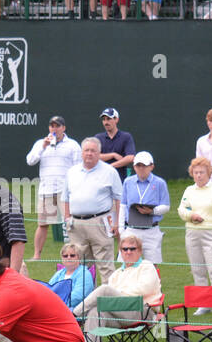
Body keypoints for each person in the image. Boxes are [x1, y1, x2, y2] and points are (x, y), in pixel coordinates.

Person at [72, 232, 162, 342]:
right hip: (121, 314)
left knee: (104, 290)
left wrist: (119, 294)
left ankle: (73, 315)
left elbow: (145, 288)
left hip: (143, 312)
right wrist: (117, 297)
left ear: (140, 251)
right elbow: (111, 299)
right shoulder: (117, 273)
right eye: (125, 249)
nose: (128, 252)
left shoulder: (147, 266)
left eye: (132, 249)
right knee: (95, 312)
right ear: (121, 252)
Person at [63, 137, 123, 284]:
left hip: (100, 222)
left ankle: (108, 303)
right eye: (86, 150)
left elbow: (118, 199)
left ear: (99, 153)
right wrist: (67, 218)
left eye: (93, 151)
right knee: (80, 265)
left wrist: (116, 223)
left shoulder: (110, 172)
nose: (89, 154)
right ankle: (84, 302)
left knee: (105, 265)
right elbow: (65, 197)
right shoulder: (72, 172)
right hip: (76, 224)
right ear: (81, 153)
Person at [27, 116, 83, 262]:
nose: (54, 129)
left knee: (69, 224)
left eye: (57, 126)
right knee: (42, 224)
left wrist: (74, 188)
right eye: (52, 126)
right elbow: (30, 160)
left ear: (63, 128)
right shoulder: (41, 143)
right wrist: (43, 147)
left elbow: (79, 167)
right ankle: (37, 255)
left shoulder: (73, 145)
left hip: (65, 191)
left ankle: (74, 256)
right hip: (46, 190)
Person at [179, 157, 212, 292]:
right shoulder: (189, 190)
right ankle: (203, 303)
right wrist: (191, 216)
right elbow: (182, 209)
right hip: (192, 234)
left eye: (201, 172)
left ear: (208, 173)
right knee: (197, 269)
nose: (199, 175)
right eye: (196, 172)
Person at [121, 151, 170, 262]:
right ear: (134, 166)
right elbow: (123, 206)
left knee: (152, 265)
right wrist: (121, 230)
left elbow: (166, 206)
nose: (141, 168)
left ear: (151, 166)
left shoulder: (159, 183)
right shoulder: (128, 182)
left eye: (144, 165)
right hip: (131, 229)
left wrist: (152, 211)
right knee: (129, 264)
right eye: (138, 165)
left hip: (151, 230)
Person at [47, 243, 95, 308]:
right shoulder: (59, 273)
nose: (68, 257)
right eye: (65, 256)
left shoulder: (84, 274)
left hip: (76, 310)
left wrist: (56, 303)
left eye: (72, 255)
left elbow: (78, 297)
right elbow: (48, 290)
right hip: (55, 306)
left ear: (79, 257)